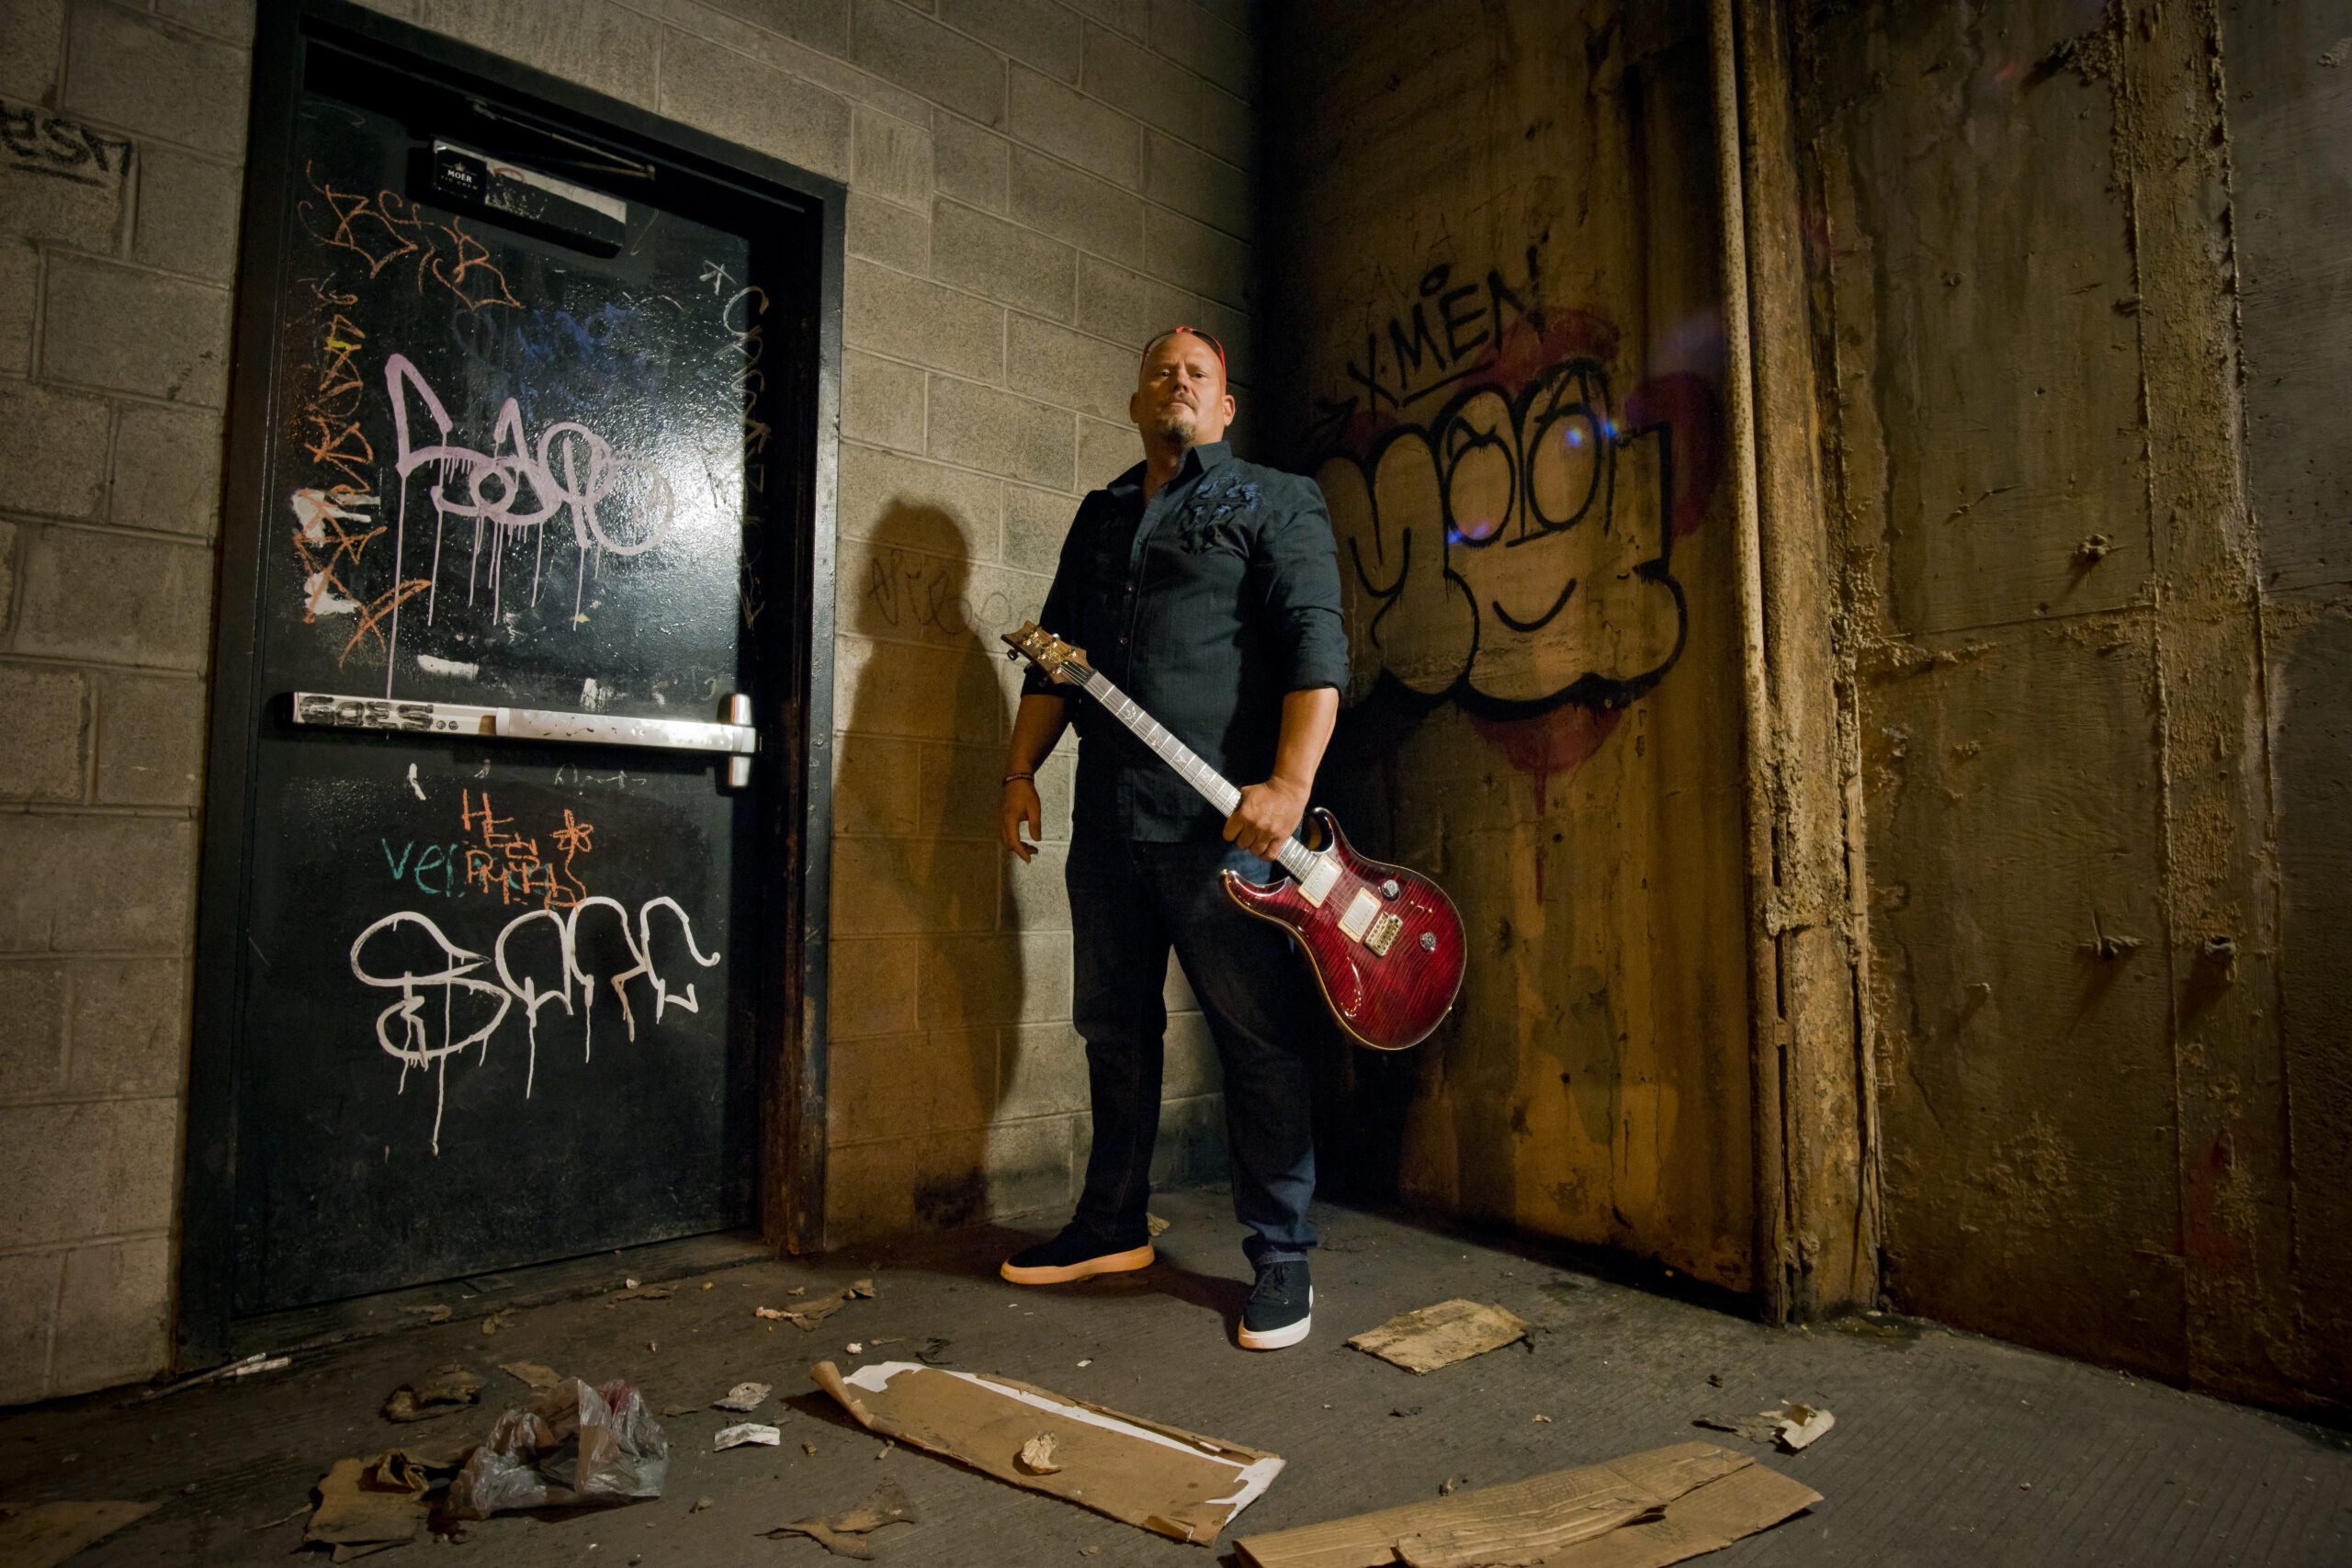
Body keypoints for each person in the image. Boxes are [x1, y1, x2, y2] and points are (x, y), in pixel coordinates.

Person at [995, 326, 1348, 1350]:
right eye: (1160, 371)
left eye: (1197, 373)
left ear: (1224, 406)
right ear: (1135, 399)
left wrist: (1290, 780)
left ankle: (1280, 1254)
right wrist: (1019, 772)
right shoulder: (1102, 516)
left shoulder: (1274, 500)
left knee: (1252, 1038)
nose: (1177, 382)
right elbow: (1054, 658)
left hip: (1224, 831)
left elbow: (1315, 644)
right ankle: (1110, 1226)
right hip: (1109, 824)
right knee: (1113, 1028)